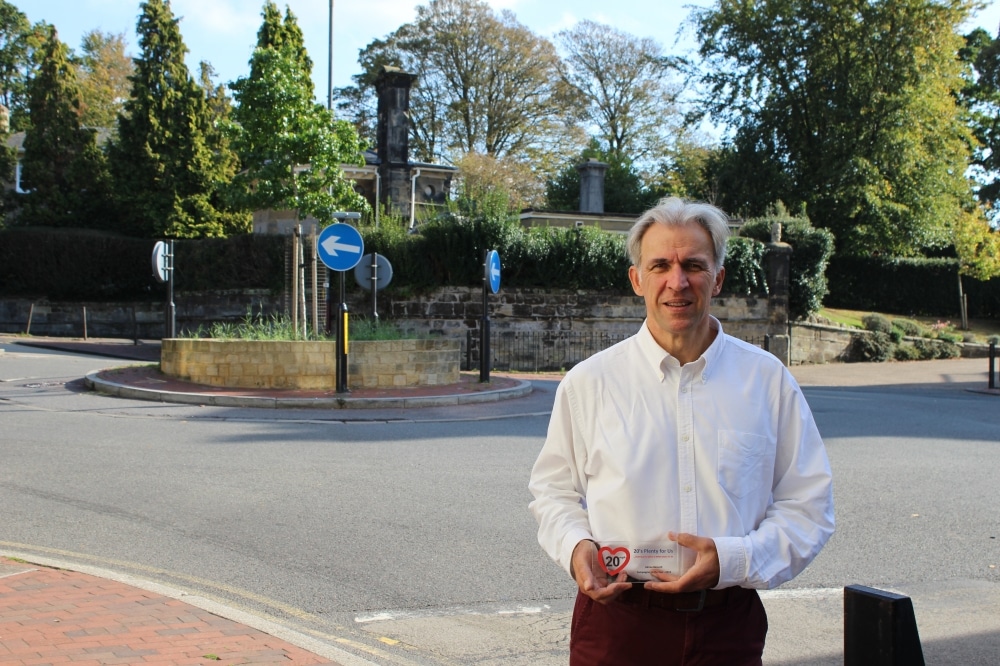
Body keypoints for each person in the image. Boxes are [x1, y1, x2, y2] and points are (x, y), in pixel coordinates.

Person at [528, 197, 834, 665]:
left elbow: (808, 506)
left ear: (719, 278)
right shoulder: (589, 383)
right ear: (637, 279)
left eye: (694, 264)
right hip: (617, 626)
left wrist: (734, 559)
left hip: (726, 625)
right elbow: (553, 493)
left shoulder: (767, 381)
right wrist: (575, 547)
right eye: (660, 265)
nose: (678, 281)